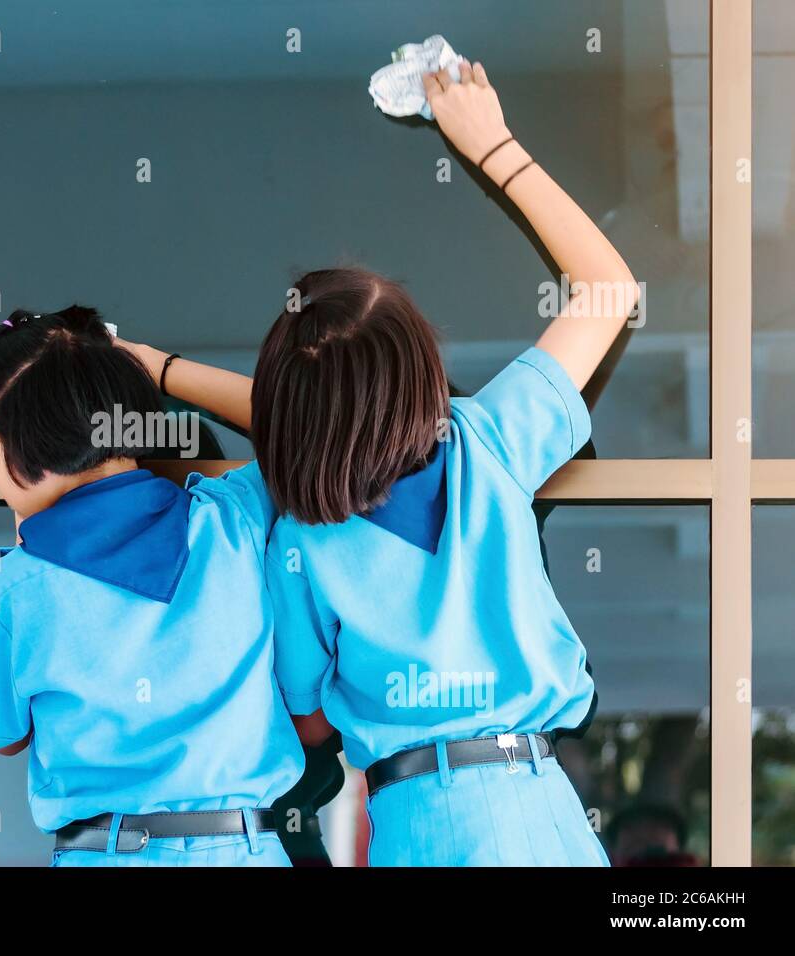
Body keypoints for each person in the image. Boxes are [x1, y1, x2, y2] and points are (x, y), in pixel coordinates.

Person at [247, 59, 638, 865]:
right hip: (543, 810)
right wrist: (490, 144)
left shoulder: (301, 543)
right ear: (424, 370)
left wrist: (165, 371)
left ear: (288, 417)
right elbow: (607, 288)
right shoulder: (491, 440)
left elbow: (308, 719)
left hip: (416, 821)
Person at [0, 305, 304, 866]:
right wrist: (156, 368)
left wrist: (27, 548)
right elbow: (309, 425)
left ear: (25, 450)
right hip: (246, 848)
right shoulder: (232, 523)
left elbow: (5, 734)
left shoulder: (12, 590)